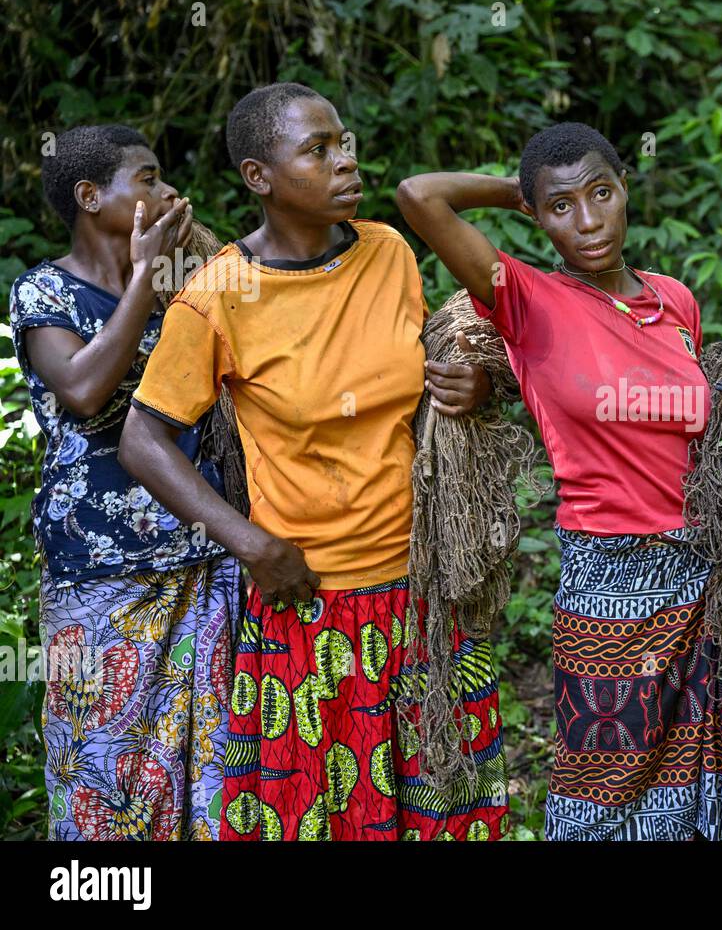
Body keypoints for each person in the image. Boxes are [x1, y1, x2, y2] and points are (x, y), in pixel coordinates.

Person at [396, 121, 722, 840]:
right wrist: (524, 191)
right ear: (537, 215)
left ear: (626, 188)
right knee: (608, 784)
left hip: (713, 573)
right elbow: (419, 195)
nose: (588, 221)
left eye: (601, 192)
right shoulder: (525, 299)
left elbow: (699, 427)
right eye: (562, 207)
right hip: (610, 583)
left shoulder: (676, 300)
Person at [118, 82, 507, 841]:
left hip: (425, 588)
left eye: (346, 144)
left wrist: (474, 382)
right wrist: (251, 543)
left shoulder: (388, 252)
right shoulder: (219, 294)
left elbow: (425, 387)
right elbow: (142, 438)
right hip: (309, 603)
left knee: (443, 811)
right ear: (259, 176)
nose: (345, 163)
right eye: (319, 150)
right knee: (318, 816)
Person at [8, 124, 238, 840]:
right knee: (103, 773)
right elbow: (82, 388)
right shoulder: (43, 291)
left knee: (211, 773)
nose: (169, 193)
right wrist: (145, 276)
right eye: (147, 180)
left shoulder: (188, 285)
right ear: (89, 197)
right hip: (102, 571)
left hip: (203, 554)